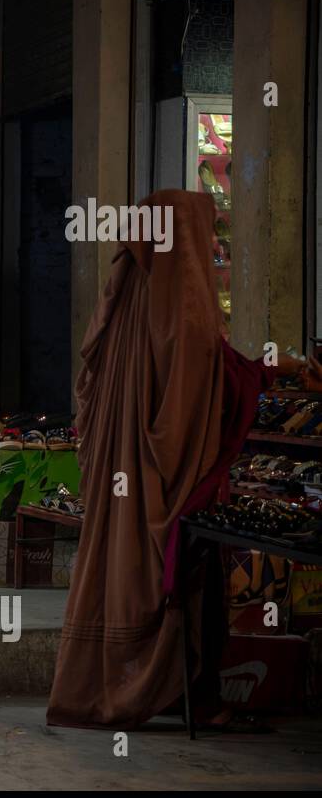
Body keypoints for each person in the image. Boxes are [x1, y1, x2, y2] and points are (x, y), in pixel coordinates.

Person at [46, 188, 318, 729]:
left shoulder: (121, 304)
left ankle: (147, 689)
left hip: (118, 487)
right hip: (162, 487)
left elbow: (93, 388)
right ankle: (181, 693)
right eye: (208, 236)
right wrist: (287, 369)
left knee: (122, 574)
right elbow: (214, 380)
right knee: (187, 582)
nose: (213, 249)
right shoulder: (185, 317)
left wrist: (279, 367)